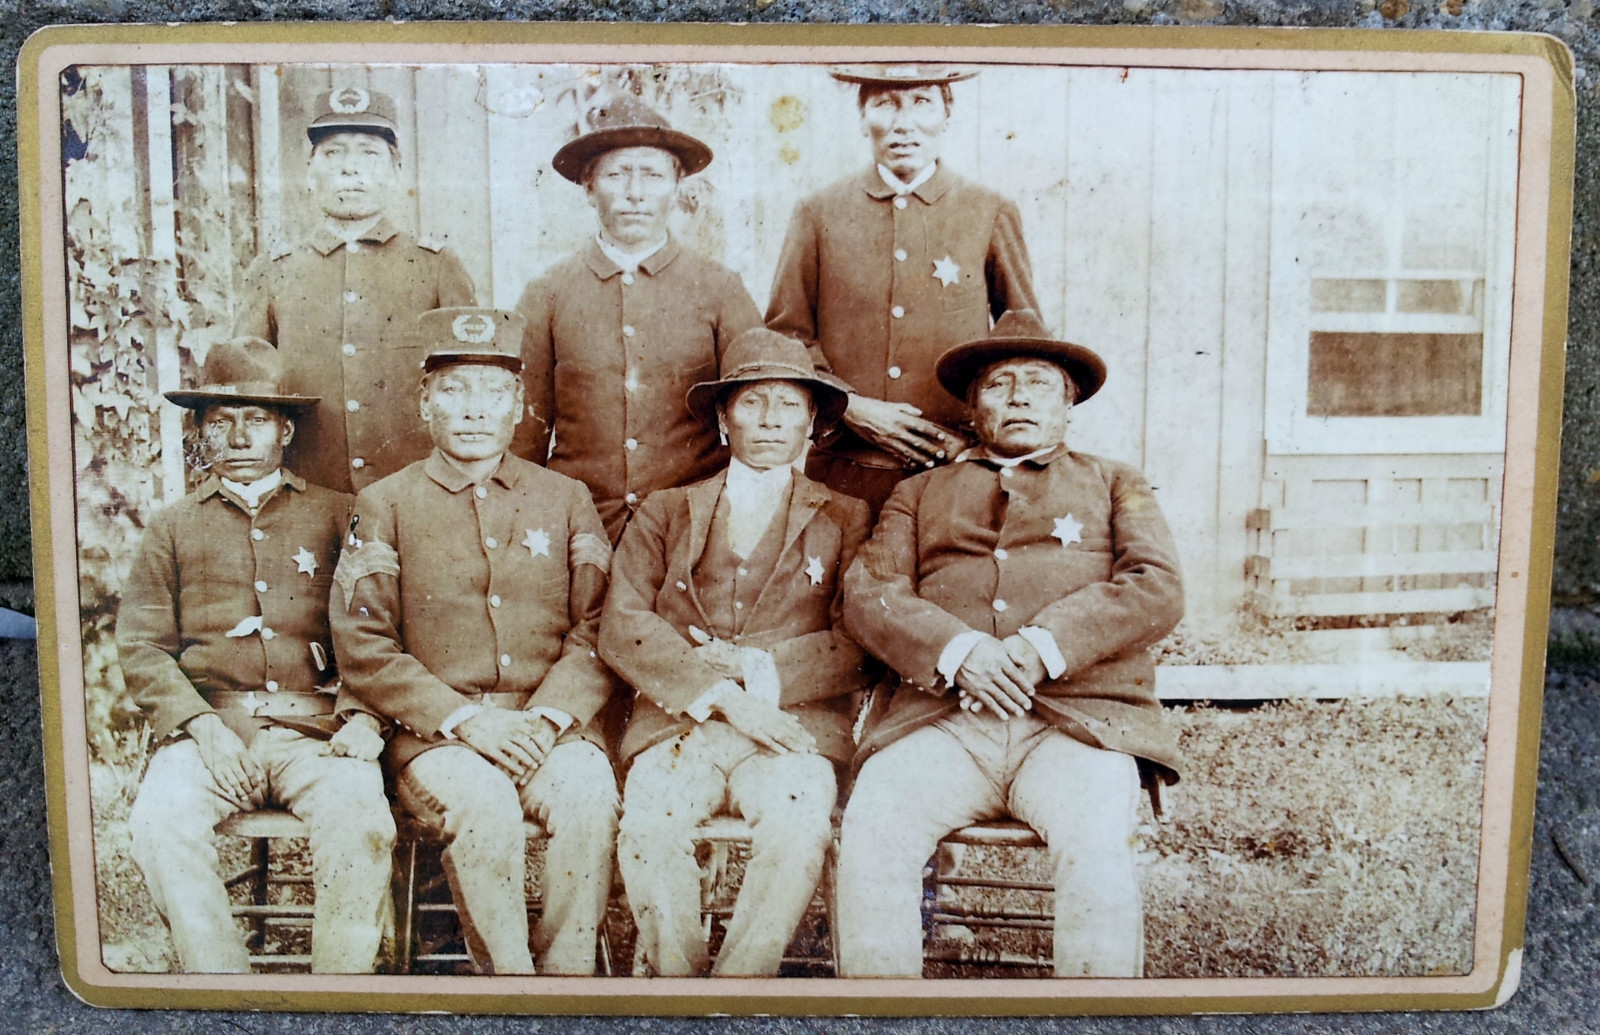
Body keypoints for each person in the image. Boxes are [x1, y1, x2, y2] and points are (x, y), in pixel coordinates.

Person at [835, 310, 1185, 978]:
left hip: (1077, 725)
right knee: (875, 825)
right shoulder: (917, 493)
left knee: (1094, 844)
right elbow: (868, 593)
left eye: (1038, 384)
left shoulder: (1117, 483)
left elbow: (1158, 586)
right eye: (999, 384)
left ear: (1068, 404)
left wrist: (1039, 646)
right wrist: (959, 649)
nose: (1019, 396)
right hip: (944, 723)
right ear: (972, 406)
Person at [330, 307, 620, 976]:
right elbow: (366, 642)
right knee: (485, 807)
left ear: (518, 405)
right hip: (440, 736)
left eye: (492, 391)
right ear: (424, 401)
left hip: (551, 728)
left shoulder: (566, 497)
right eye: (454, 389)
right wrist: (468, 721)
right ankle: (513, 991)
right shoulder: (386, 502)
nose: (473, 410)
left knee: (588, 795)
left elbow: (598, 624)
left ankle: (570, 983)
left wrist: (546, 718)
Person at [600, 329, 878, 977]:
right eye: (753, 402)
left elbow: (859, 641)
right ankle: (677, 989)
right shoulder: (668, 511)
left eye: (788, 404)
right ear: (724, 419)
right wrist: (721, 692)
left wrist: (758, 670)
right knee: (648, 827)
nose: (771, 418)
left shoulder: (848, 517)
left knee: (796, 829)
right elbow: (623, 622)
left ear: (813, 420)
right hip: (679, 725)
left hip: (792, 732)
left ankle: (737, 989)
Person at [118, 337, 395, 974]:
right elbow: (141, 646)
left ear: (286, 429)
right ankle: (224, 988)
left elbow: (380, 628)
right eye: (221, 421)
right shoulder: (172, 526)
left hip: (319, 731)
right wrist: (202, 729)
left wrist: (364, 716)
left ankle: (339, 1001)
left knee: (362, 822)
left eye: (256, 420)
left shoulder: (337, 514)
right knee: (159, 825)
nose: (239, 436)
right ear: (200, 433)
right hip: (210, 733)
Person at [765, 65, 1039, 515]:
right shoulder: (818, 212)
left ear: (947, 116)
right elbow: (786, 337)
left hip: (955, 466)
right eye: (886, 103)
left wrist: (976, 438)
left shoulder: (988, 210)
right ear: (862, 117)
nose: (903, 123)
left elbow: (1024, 341)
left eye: (922, 103)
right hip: (844, 469)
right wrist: (849, 406)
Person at [514, 93, 763, 543]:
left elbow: (757, 411)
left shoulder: (720, 288)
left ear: (677, 186)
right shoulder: (546, 293)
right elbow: (525, 436)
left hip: (693, 528)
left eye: (651, 175)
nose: (634, 194)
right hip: (582, 529)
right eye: (616, 175)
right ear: (589, 189)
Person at [235, 85, 478, 494]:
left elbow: (471, 391)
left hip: (417, 499)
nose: (350, 169)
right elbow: (245, 397)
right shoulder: (273, 271)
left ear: (395, 172)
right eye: (332, 153)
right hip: (304, 499)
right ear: (309, 173)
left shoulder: (436, 265)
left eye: (368, 153)